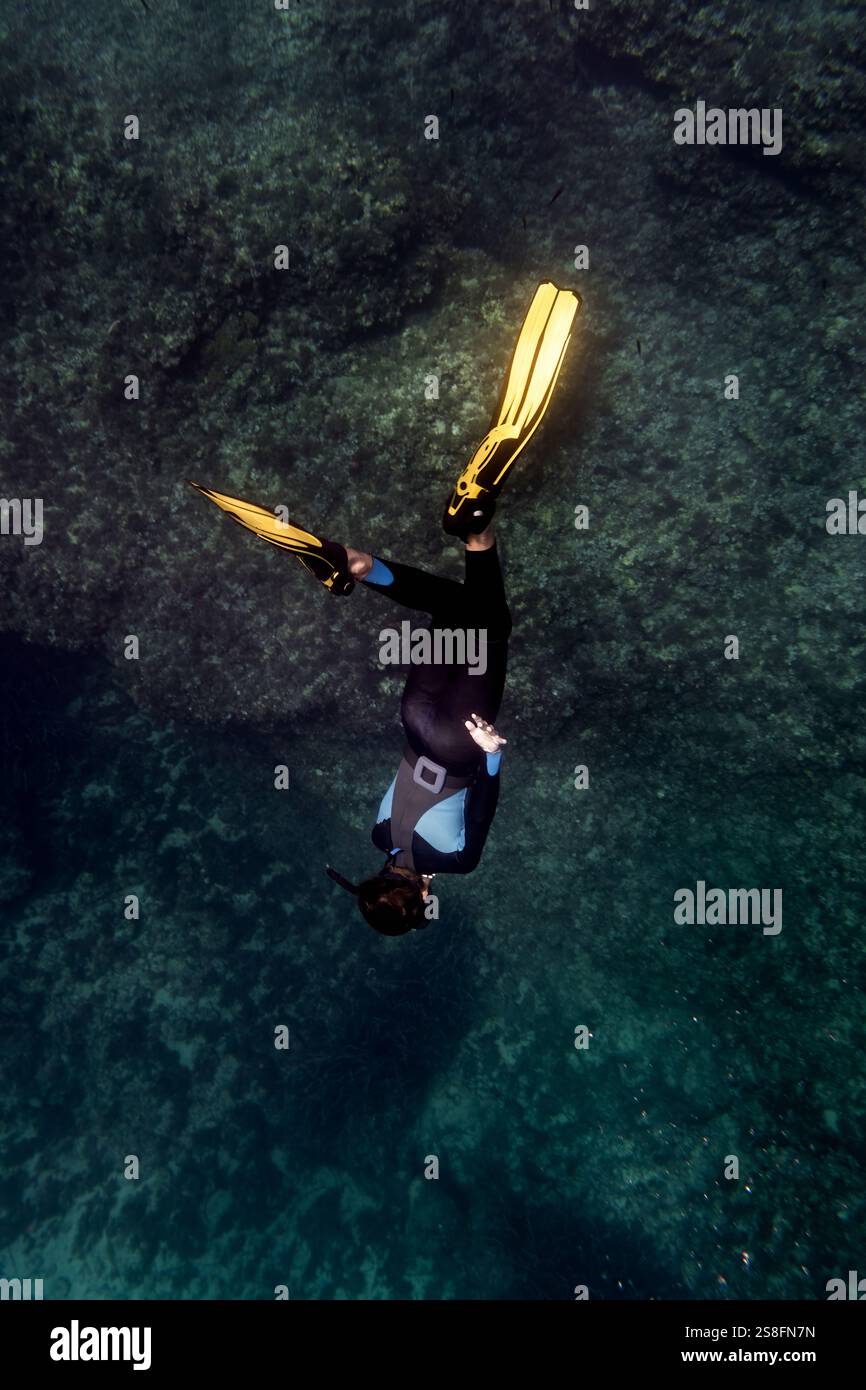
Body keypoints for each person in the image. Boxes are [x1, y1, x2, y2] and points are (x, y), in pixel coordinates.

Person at [189, 282, 580, 935]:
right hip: (415, 719)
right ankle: (361, 567)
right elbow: (412, 798)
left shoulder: (458, 863)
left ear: (420, 900)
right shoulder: (376, 835)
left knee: (489, 621)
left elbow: (485, 797)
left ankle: (476, 523)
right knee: (456, 612)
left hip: (461, 736)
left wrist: (490, 750)